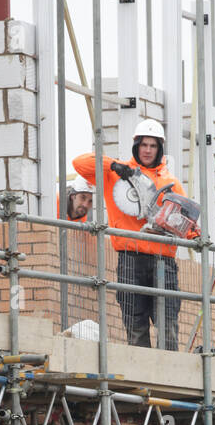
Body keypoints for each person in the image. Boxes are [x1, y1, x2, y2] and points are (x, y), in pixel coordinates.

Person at [73, 119, 188, 349]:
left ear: (160, 149)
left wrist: (195, 235)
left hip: (163, 262)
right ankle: (144, 380)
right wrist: (114, 165)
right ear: (136, 145)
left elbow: (187, 221)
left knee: (168, 327)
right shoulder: (115, 174)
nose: (147, 150)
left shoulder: (170, 183)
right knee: (135, 325)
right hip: (129, 260)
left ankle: (169, 379)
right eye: (143, 144)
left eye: (153, 146)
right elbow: (79, 163)